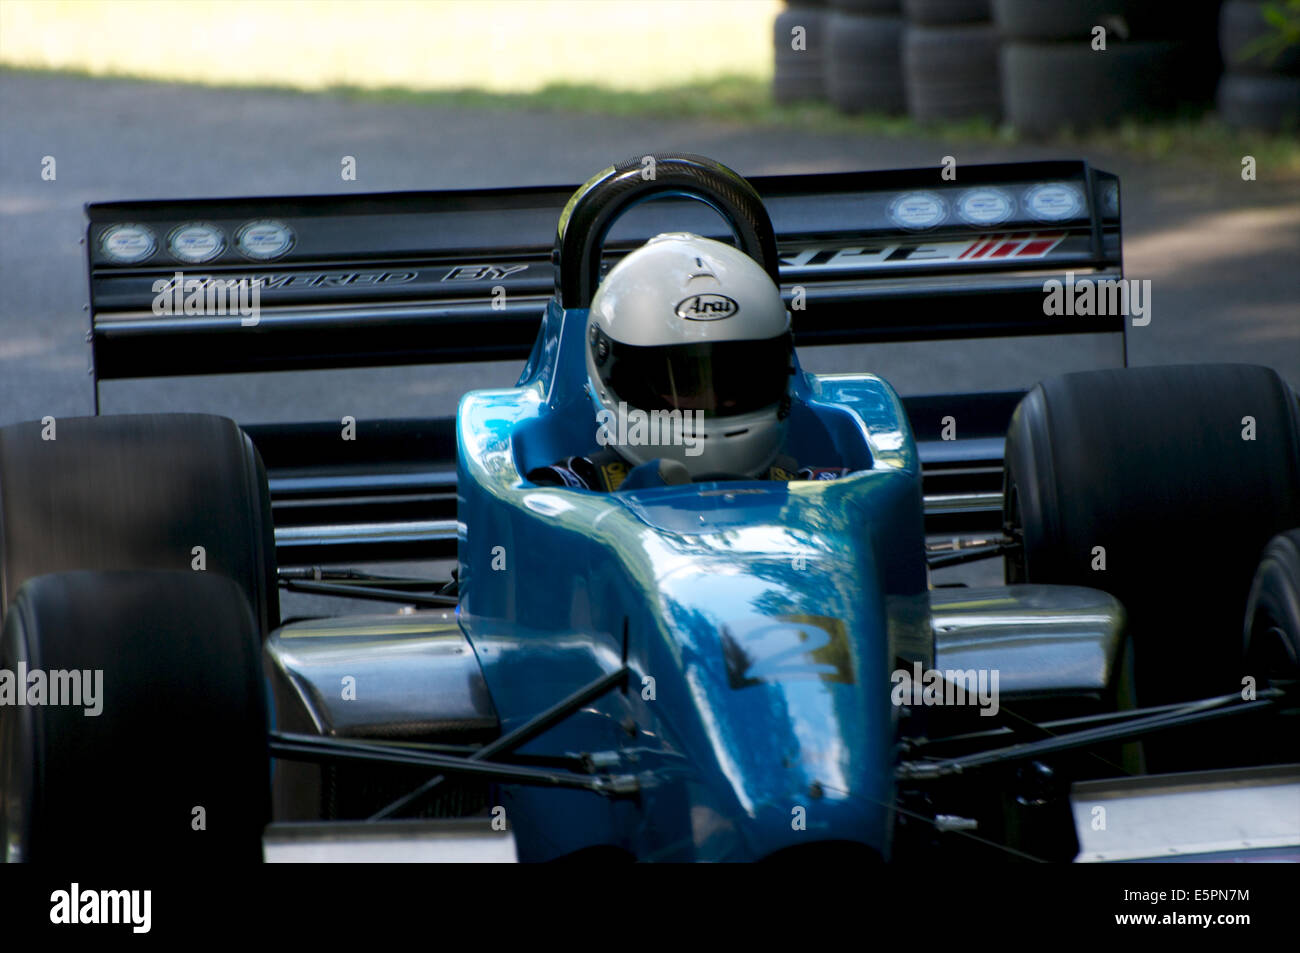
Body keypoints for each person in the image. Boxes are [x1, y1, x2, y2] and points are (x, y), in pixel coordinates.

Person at [527, 232, 850, 492]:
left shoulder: (828, 492)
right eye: (686, 381)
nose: (714, 399)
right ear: (616, 378)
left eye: (741, 378)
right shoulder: (568, 494)